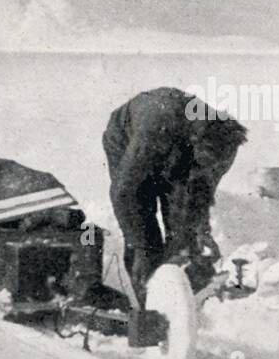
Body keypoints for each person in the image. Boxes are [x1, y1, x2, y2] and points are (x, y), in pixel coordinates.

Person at [103, 87, 248, 302]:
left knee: (184, 238)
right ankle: (147, 304)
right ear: (197, 142)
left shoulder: (225, 145)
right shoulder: (155, 129)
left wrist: (199, 230)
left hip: (178, 145)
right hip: (132, 142)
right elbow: (125, 194)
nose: (208, 168)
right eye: (204, 162)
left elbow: (200, 192)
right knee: (143, 234)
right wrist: (141, 245)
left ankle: (189, 295)